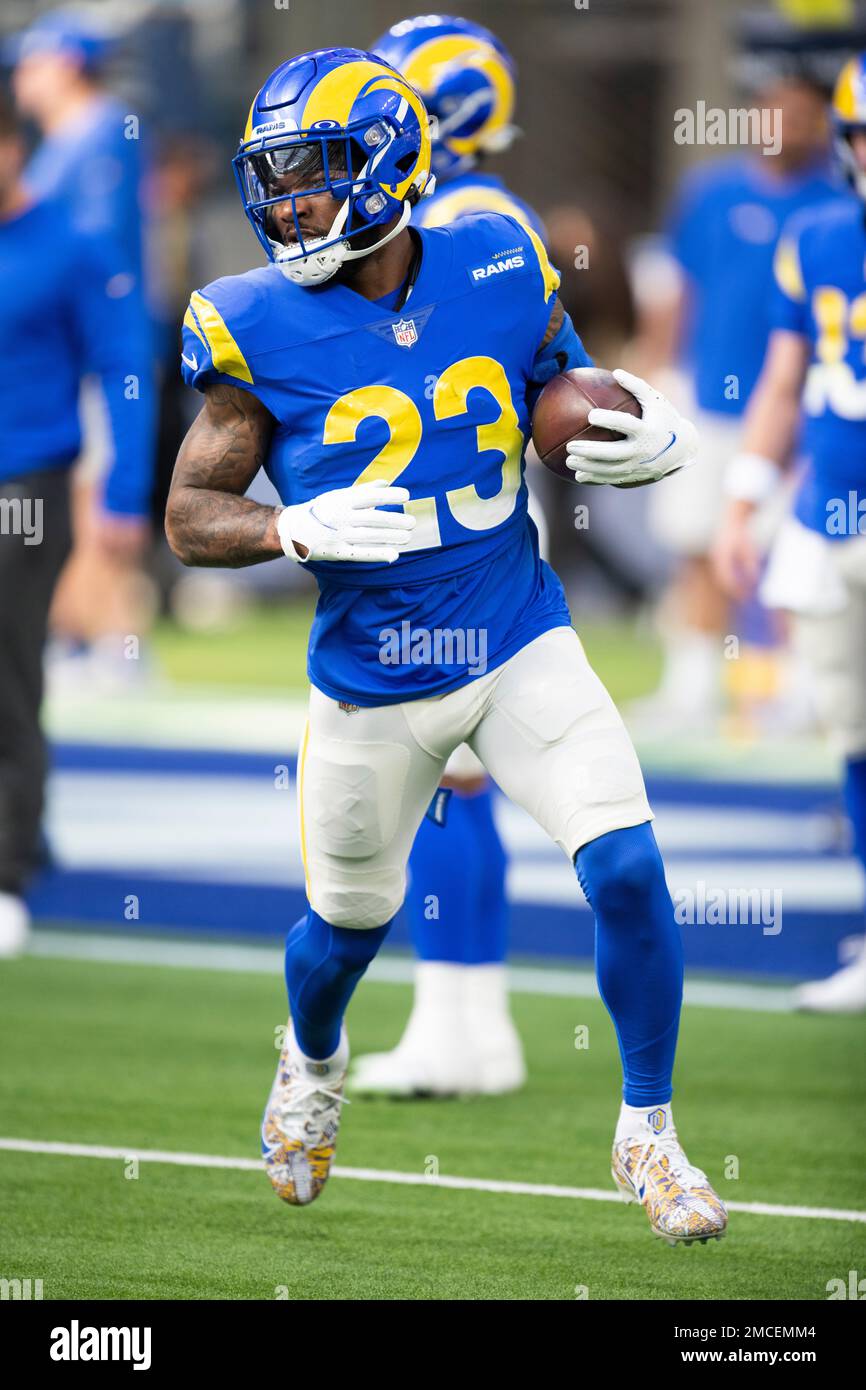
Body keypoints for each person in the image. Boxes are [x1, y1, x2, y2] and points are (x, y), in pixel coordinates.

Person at [167, 47, 726, 1245]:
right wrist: (286, 523)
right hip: (371, 679)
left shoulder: (496, 256)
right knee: (341, 935)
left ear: (387, 166)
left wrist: (637, 417)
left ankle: (649, 1131)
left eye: (313, 175)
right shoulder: (253, 320)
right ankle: (310, 1065)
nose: (289, 203)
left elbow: (558, 382)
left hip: (516, 635)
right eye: (276, 179)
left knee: (624, 866)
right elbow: (186, 516)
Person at [345, 13, 548, 1100]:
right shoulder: (470, 210)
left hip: (462, 533)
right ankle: (461, 1021)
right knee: (446, 783)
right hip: (463, 526)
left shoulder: (463, 219)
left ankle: (465, 1027)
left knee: (443, 778)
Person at [715, 53, 866, 1015]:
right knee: (853, 734)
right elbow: (781, 378)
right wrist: (745, 494)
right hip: (827, 519)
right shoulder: (814, 235)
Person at [632, 67, 837, 732]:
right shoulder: (710, 193)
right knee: (697, 542)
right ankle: (693, 685)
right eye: (778, 111)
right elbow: (678, 288)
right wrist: (655, 369)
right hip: (706, 397)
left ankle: (799, 688)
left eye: (804, 113)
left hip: (792, 412)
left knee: (789, 549)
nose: (789, 126)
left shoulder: (831, 205)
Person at [0, 95, 154, 955]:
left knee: (5, 671)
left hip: (24, 486)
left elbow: (123, 367)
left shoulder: (70, 246)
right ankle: (30, 831)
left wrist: (126, 493)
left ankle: (7, 874)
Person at [8, 9, 153, 683]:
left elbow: (91, 255)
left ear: (64, 64)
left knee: (97, 489)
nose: (23, 78)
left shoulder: (101, 132)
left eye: (33, 63)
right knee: (71, 493)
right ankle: (82, 631)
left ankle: (117, 638)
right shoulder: (65, 139)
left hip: (90, 346)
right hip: (68, 347)